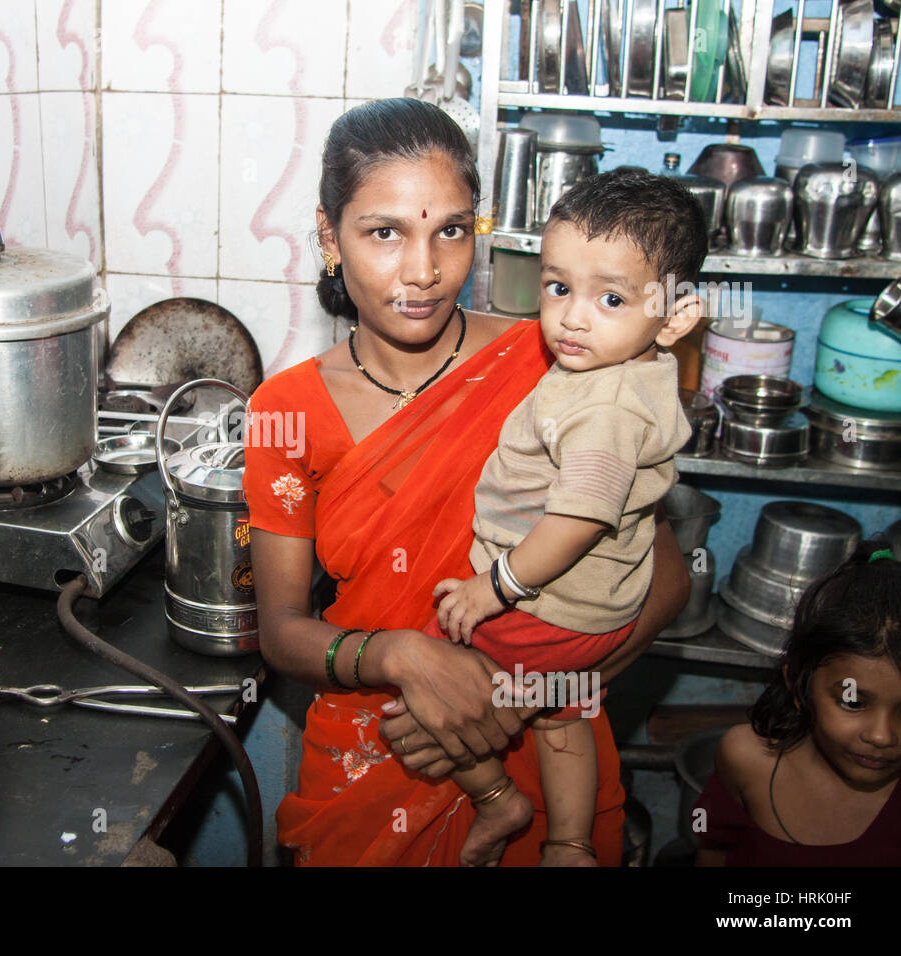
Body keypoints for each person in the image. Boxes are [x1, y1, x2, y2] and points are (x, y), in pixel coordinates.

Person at [243, 97, 690, 867]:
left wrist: (513, 696)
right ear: (329, 235)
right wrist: (403, 659)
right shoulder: (283, 411)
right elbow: (282, 631)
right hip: (377, 749)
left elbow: (665, 576)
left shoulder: (554, 366)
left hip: (548, 756)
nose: (423, 271)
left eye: (450, 230)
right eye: (385, 232)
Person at [428, 170, 705, 866]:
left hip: (539, 608)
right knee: (566, 717)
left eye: (610, 298)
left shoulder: (604, 408)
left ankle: (496, 802)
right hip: (593, 613)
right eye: (558, 288)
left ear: (674, 317)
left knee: (431, 692)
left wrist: (494, 588)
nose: (573, 317)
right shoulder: (630, 369)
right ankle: (571, 843)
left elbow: (580, 519)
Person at [693, 544, 901, 866]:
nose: (882, 736)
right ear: (798, 683)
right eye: (854, 702)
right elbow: (713, 848)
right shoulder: (745, 759)